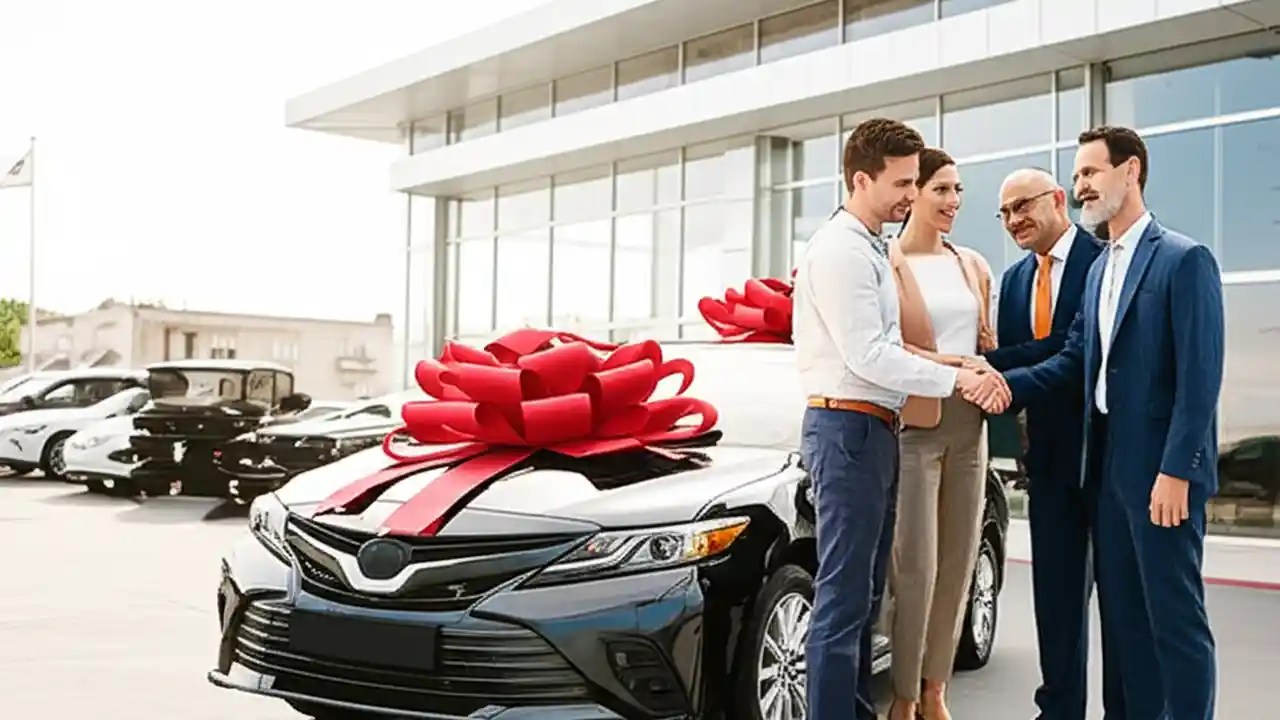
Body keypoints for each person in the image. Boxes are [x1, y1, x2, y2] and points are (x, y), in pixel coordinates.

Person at [978, 125, 1223, 719]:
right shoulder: (1100, 269)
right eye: (1078, 175)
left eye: (1090, 173)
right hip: (1108, 469)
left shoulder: (1183, 258)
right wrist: (994, 377)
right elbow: (1073, 358)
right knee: (1130, 626)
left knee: (1175, 623)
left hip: (1161, 474)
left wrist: (1177, 472)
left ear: (1130, 171)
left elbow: (1200, 382)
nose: (1080, 185)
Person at [792, 117, 1005, 720]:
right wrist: (956, 378)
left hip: (873, 430)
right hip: (847, 430)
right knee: (842, 599)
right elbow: (870, 355)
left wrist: (959, 360)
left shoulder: (869, 247)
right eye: (903, 183)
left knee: (862, 597)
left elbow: (892, 343)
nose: (912, 196)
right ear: (862, 179)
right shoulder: (839, 252)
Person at [975, 167, 1116, 720]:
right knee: (1055, 601)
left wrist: (988, 367)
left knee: (1122, 604)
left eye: (1023, 206)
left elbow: (1075, 347)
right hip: (1051, 463)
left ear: (1058, 199)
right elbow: (1022, 367)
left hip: (1110, 457)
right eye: (1005, 212)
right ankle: (1059, 710)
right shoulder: (1011, 283)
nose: (1014, 221)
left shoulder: (1105, 261)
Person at [880, 147, 996, 720]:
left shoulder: (972, 264)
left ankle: (935, 692)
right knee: (915, 569)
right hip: (914, 426)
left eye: (958, 190)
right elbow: (890, 349)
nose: (952, 201)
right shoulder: (888, 261)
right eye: (940, 190)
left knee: (958, 562)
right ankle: (901, 696)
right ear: (913, 194)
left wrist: (988, 373)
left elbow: (987, 344)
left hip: (970, 428)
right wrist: (961, 368)